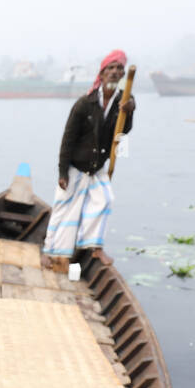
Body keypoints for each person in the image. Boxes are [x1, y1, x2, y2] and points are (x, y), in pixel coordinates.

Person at [40, 50, 136, 274]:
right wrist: (62, 172)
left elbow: (123, 133)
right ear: (101, 75)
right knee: (63, 209)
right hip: (76, 167)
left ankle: (94, 247)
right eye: (110, 69)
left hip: (97, 168)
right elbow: (68, 140)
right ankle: (48, 251)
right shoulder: (85, 103)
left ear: (122, 74)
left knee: (104, 201)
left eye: (118, 69)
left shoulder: (125, 100)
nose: (114, 72)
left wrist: (129, 113)